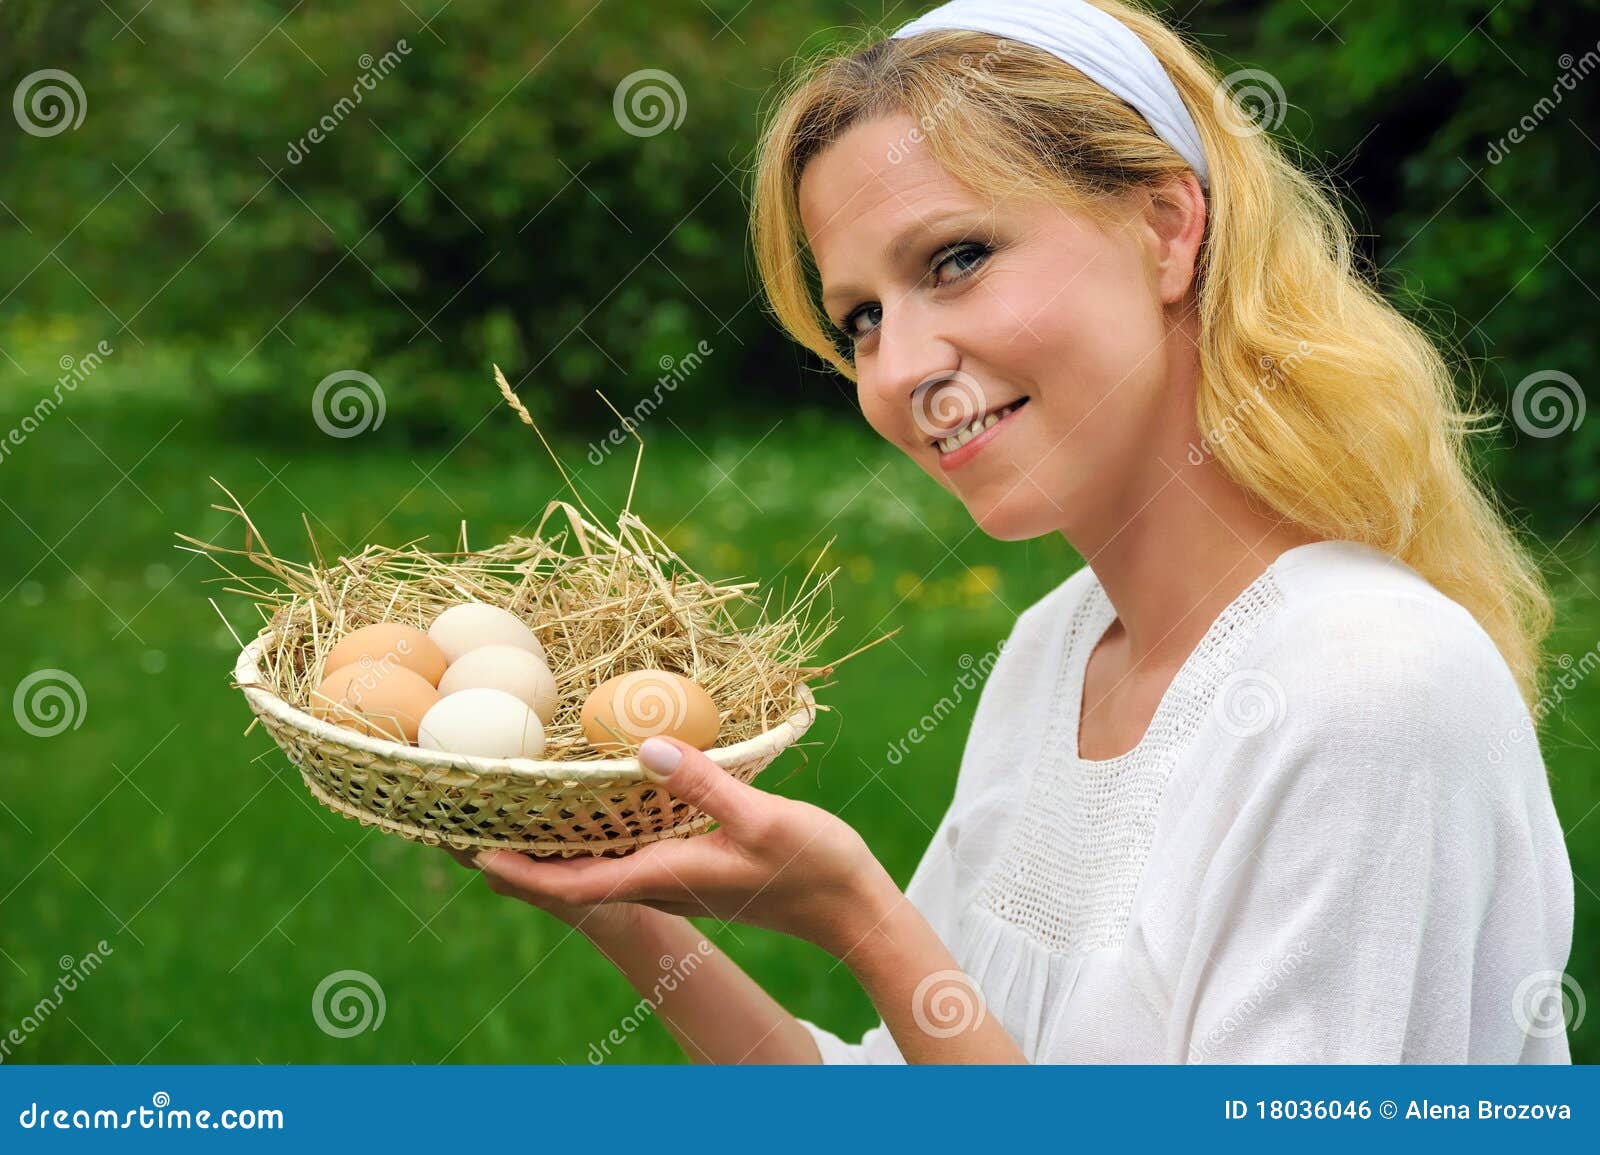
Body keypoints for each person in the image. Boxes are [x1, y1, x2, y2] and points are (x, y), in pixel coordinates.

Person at [446, 0, 1575, 1063]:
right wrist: (610, 891)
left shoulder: (1370, 685)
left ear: (1168, 227)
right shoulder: (1058, 650)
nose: (902, 370)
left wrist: (868, 927)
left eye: (957, 259)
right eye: (861, 319)